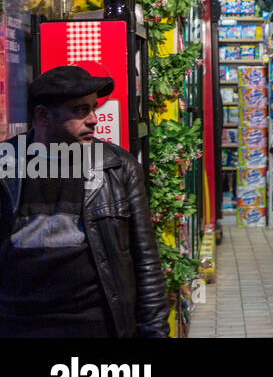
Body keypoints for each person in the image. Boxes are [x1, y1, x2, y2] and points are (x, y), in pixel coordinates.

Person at [0, 66, 168, 338]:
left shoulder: (117, 167)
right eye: (80, 110)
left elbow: (146, 260)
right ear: (43, 116)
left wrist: (154, 332)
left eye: (94, 108)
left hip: (98, 324)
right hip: (18, 325)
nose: (94, 120)